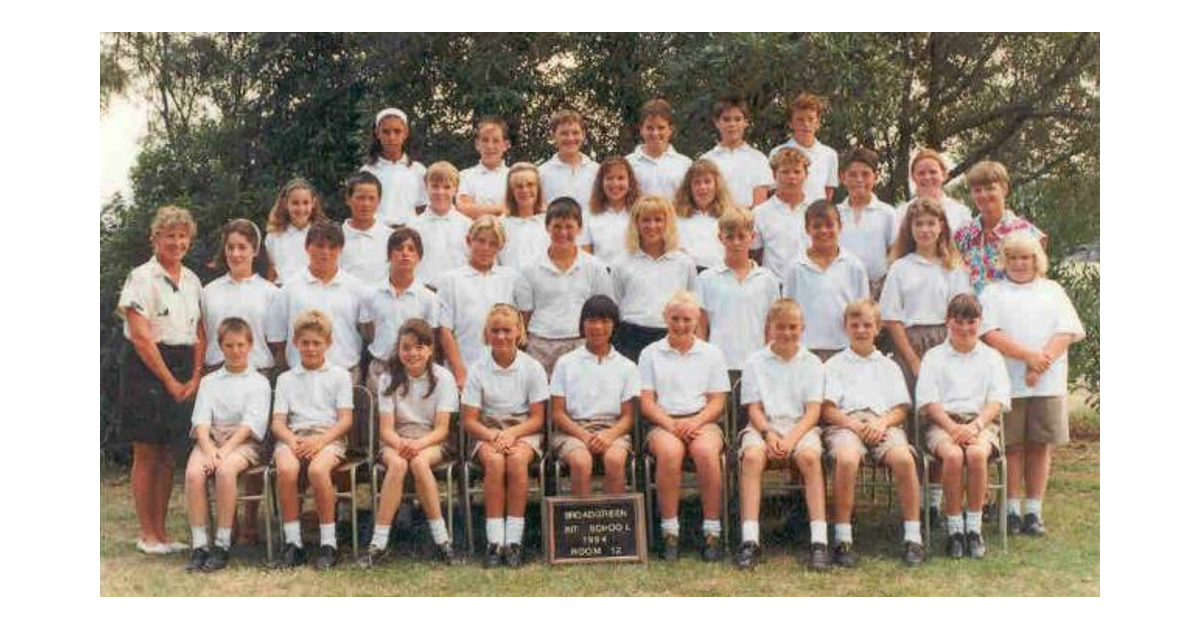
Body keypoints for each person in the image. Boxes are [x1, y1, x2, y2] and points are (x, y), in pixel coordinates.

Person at [980, 233, 1085, 537]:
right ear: (1004, 261)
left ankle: (1033, 512)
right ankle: (1012, 510)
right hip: (1008, 382)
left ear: (1036, 259)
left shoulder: (1053, 291)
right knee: (1012, 447)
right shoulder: (993, 293)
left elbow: (1066, 331)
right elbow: (990, 334)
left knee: (1040, 446)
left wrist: (1040, 365)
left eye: (1025, 257)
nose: (1019, 263)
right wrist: (1028, 357)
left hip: (1047, 383)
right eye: (1013, 257)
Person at [117, 206, 205, 554]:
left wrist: (195, 375)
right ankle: (147, 534)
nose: (177, 242)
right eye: (170, 236)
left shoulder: (193, 280)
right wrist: (168, 380)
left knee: (168, 451)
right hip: (147, 367)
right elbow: (141, 337)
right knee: (147, 450)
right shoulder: (141, 277)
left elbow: (200, 331)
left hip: (183, 366)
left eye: (183, 236)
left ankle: (163, 533)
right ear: (155, 238)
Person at [821, 300, 925, 568]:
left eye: (867, 325)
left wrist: (882, 423)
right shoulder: (834, 364)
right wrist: (854, 425)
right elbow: (828, 409)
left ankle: (913, 536)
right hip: (846, 424)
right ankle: (843, 537)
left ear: (878, 328)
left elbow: (901, 408)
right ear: (845, 327)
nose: (861, 330)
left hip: (883, 423)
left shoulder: (889, 366)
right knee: (847, 459)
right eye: (854, 325)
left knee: (904, 459)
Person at [734, 299, 828, 571]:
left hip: (801, 427)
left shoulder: (812, 362)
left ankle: (819, 542)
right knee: (752, 458)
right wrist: (768, 433)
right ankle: (750, 540)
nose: (787, 333)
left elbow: (813, 411)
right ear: (769, 328)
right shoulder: (755, 362)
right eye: (780, 327)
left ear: (802, 327)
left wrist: (791, 439)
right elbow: (753, 408)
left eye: (793, 327)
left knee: (809, 457)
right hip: (764, 426)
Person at [916, 293, 1011, 559]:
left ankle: (974, 528)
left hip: (981, 424)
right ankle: (955, 529)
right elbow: (928, 401)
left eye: (971, 322)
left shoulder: (992, 357)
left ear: (980, 322)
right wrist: (952, 427)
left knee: (977, 454)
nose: (965, 328)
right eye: (958, 322)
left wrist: (975, 426)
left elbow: (997, 400)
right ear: (948, 321)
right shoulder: (934, 357)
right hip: (943, 423)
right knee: (954, 456)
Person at [359, 319, 459, 567]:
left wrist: (418, 445)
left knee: (419, 463)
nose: (412, 353)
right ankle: (378, 543)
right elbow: (386, 430)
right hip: (397, 440)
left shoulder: (444, 377)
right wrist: (402, 444)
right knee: (398, 465)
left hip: (430, 440)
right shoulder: (387, 378)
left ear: (430, 349)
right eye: (406, 347)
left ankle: (442, 540)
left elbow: (442, 429)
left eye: (419, 347)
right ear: (399, 349)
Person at [638, 292, 730, 562]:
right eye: (675, 318)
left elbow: (717, 401)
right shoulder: (650, 354)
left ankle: (712, 531)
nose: (680, 325)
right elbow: (646, 402)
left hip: (703, 421)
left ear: (697, 320)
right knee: (670, 453)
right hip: (663, 422)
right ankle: (670, 532)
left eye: (687, 319)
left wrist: (695, 422)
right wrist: (671, 424)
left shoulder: (712, 353)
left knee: (705, 452)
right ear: (665, 318)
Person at [461, 304, 549, 568]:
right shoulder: (477, 369)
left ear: (518, 332)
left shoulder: (532, 367)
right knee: (495, 462)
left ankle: (514, 540)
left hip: (523, 430)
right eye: (495, 330)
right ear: (487, 333)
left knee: (517, 461)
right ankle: (494, 541)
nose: (501, 336)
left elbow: (538, 418)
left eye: (507, 330)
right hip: (487, 431)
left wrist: (512, 434)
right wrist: (494, 436)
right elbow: (469, 420)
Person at [183, 317, 272, 572]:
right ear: (220, 347)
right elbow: (201, 421)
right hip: (211, 439)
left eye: (240, 345)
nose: (235, 351)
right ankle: (200, 545)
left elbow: (249, 425)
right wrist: (210, 449)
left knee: (224, 470)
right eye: (229, 346)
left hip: (242, 442)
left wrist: (222, 452)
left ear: (250, 345)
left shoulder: (259, 382)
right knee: (193, 474)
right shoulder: (210, 381)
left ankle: (222, 544)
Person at [271, 310, 355, 569]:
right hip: (294, 437)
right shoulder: (285, 379)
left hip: (328, 437)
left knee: (318, 471)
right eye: (305, 342)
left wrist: (320, 442)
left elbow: (345, 420)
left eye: (316, 343)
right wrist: (292, 441)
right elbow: (278, 423)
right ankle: (293, 543)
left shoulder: (340, 375)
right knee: (287, 469)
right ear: (295, 343)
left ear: (328, 343)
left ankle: (328, 542)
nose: (310, 348)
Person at [548, 295, 639, 496]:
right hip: (573, 430)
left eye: (605, 321)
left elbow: (628, 416)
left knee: (615, 460)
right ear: (582, 324)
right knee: (581, 462)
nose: (597, 327)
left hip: (613, 429)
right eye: (591, 321)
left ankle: (612, 515)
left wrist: (609, 435)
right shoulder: (565, 363)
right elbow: (557, 412)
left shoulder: (627, 367)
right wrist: (584, 436)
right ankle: (582, 516)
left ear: (614, 325)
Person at [880, 197, 971, 393]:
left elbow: (961, 312)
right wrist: (913, 360)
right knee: (911, 398)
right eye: (919, 224)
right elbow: (891, 318)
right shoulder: (900, 267)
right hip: (909, 342)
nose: (925, 230)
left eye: (931, 223)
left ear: (941, 227)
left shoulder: (953, 268)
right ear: (910, 228)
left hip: (946, 340)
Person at [515, 197, 613, 376]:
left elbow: (604, 312)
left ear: (579, 228)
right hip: (540, 345)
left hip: (581, 343)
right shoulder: (529, 268)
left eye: (569, 227)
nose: (563, 232)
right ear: (547, 227)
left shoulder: (595, 266)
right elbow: (524, 315)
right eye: (557, 226)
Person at [267, 221, 371, 384]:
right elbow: (278, 339)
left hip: (346, 374)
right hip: (301, 376)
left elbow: (366, 333)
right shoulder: (289, 289)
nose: (325, 252)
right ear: (307, 247)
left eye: (332, 247)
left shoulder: (356, 287)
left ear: (341, 249)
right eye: (319, 246)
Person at [611, 196, 697, 361]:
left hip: (671, 336)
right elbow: (616, 302)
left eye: (658, 220)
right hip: (630, 339)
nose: (652, 226)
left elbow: (692, 304)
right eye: (646, 220)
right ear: (636, 223)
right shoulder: (620, 262)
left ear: (668, 223)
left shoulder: (684, 263)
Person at [438, 216, 520, 389]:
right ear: (469, 241)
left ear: (501, 247)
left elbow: (517, 325)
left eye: (493, 244)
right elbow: (445, 330)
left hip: (502, 370)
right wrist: (460, 373)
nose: (485, 248)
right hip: (464, 368)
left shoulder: (510, 278)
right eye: (481, 241)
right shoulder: (451, 280)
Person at [781, 201, 870, 361]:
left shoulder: (854, 266)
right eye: (817, 226)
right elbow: (788, 311)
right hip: (805, 350)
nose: (823, 231)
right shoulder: (795, 267)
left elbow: (863, 311)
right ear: (807, 229)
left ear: (840, 227)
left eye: (829, 225)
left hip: (844, 348)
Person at [696, 208, 780, 372]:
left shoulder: (768, 279)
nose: (736, 242)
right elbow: (701, 328)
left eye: (742, 236)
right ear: (720, 238)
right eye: (730, 237)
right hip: (718, 366)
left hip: (757, 366)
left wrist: (769, 362)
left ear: (752, 237)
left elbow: (771, 327)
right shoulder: (706, 279)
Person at [363, 228, 439, 397]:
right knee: (377, 413)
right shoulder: (372, 294)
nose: (405, 253)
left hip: (413, 370)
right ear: (389, 255)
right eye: (399, 249)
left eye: (411, 249)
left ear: (419, 257)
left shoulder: (428, 298)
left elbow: (430, 338)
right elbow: (368, 331)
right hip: (380, 368)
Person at [954, 160, 1046, 294]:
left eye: (990, 188)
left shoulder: (1028, 233)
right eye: (977, 190)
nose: (983, 195)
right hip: (972, 306)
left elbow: (1038, 282)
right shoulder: (962, 236)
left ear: (1004, 189)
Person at [201, 219, 280, 374]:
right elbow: (203, 337)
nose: (235, 254)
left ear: (255, 250)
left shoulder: (271, 293)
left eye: (242, 247)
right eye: (230, 247)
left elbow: (278, 344)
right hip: (215, 373)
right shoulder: (209, 292)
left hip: (258, 373)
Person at [836, 147, 896, 299]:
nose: (859, 180)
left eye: (865, 174)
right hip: (842, 285)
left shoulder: (887, 213)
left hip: (878, 288)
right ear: (842, 177)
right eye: (852, 174)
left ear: (875, 177)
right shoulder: (835, 213)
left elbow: (894, 251)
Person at [699, 96, 772, 208]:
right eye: (726, 119)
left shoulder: (759, 159)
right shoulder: (706, 160)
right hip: (716, 217)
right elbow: (704, 200)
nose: (732, 124)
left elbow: (760, 204)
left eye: (737, 119)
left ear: (746, 122)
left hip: (750, 218)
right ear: (717, 123)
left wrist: (743, 217)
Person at [410, 161, 472, 288]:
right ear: (426, 187)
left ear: (456, 189)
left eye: (447, 187)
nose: (440, 192)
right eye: (435, 186)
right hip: (423, 292)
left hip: (458, 292)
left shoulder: (468, 226)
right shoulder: (413, 227)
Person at [751, 147, 810, 280]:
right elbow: (755, 255)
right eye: (785, 172)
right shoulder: (760, 213)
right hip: (775, 286)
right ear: (774, 175)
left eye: (797, 171)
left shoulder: (815, 211)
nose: (791, 177)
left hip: (809, 284)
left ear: (806, 174)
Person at [361, 107, 426, 227]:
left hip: (410, 232)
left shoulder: (418, 170)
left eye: (397, 131)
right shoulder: (368, 171)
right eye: (386, 132)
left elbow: (422, 207)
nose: (392, 137)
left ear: (405, 133)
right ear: (377, 133)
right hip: (378, 233)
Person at [892, 148, 974, 241]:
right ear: (913, 177)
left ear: (943, 174)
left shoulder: (961, 213)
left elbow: (968, 246)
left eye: (933, 172)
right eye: (921, 173)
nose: (927, 177)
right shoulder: (900, 214)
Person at [769, 92, 837, 203]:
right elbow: (773, 191)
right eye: (800, 119)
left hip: (816, 212)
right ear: (790, 123)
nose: (806, 124)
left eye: (811, 119)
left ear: (818, 123)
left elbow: (828, 192)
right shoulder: (777, 152)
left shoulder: (829, 154)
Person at [674, 159, 737, 271]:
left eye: (707, 182)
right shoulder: (676, 217)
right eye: (696, 183)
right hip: (685, 274)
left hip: (719, 274)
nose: (702, 187)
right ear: (689, 188)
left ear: (717, 185)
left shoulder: (730, 216)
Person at [626, 98, 693, 199]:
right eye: (649, 128)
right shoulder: (627, 164)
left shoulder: (685, 165)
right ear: (641, 130)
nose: (655, 133)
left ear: (670, 130)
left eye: (661, 128)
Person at [264, 178, 328, 283]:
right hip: (282, 289)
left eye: (306, 203)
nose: (301, 208)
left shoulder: (323, 234)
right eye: (295, 203)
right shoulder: (274, 236)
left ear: (313, 203)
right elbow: (270, 271)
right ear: (285, 204)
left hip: (314, 289)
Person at [580, 156, 640, 267]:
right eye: (609, 178)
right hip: (600, 274)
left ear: (630, 182)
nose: (615, 183)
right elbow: (585, 256)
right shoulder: (588, 214)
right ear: (601, 183)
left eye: (621, 178)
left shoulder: (640, 212)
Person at [340, 171, 393, 286]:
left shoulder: (391, 237)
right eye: (360, 198)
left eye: (371, 198)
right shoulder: (336, 236)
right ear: (348, 199)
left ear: (379, 201)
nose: (366, 204)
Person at [537, 109, 599, 209]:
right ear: (553, 136)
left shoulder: (597, 171)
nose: (570, 138)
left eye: (575, 133)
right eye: (564, 133)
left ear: (583, 135)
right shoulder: (541, 174)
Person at [456, 116, 512, 219]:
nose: (490, 146)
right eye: (485, 140)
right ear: (477, 144)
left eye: (496, 141)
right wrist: (501, 208)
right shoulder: (465, 176)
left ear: (505, 145)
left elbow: (516, 210)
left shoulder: (513, 176)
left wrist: (477, 209)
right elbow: (464, 208)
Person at [499, 162, 549, 269]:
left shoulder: (550, 222)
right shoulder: (500, 225)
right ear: (511, 191)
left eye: (530, 184)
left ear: (538, 188)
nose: (525, 190)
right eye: (519, 186)